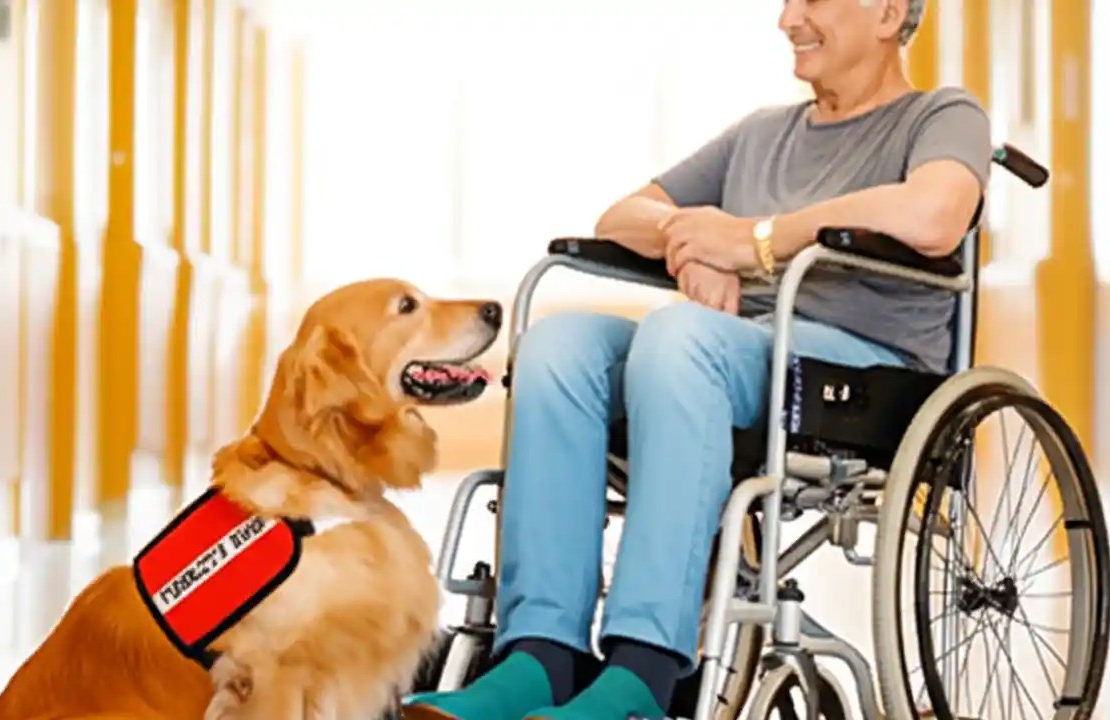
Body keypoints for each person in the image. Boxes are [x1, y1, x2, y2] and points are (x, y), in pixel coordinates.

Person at [404, 0, 990, 718]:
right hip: (727, 354)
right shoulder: (762, 134)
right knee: (559, 345)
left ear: (887, 11)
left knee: (679, 339)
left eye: (811, 1)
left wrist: (756, 241)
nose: (787, 19)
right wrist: (693, 244)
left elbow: (934, 216)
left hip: (859, 374)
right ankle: (540, 658)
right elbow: (621, 217)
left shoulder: (940, 117)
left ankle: (641, 680)